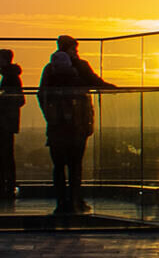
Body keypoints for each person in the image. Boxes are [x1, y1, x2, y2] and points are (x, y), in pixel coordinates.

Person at [37, 34, 113, 216]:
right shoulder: (80, 67)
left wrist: (50, 116)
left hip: (57, 127)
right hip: (77, 125)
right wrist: (112, 88)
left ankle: (62, 201)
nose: (76, 52)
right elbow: (95, 82)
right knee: (75, 165)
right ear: (69, 49)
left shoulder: (49, 70)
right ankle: (75, 200)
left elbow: (41, 94)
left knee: (59, 166)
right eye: (74, 49)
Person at [0, 48, 24, 200]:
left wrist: (1, 105)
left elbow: (19, 100)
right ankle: (6, 188)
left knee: (2, 156)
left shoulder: (9, 78)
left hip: (5, 123)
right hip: (8, 122)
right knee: (5, 155)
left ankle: (4, 189)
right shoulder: (11, 76)